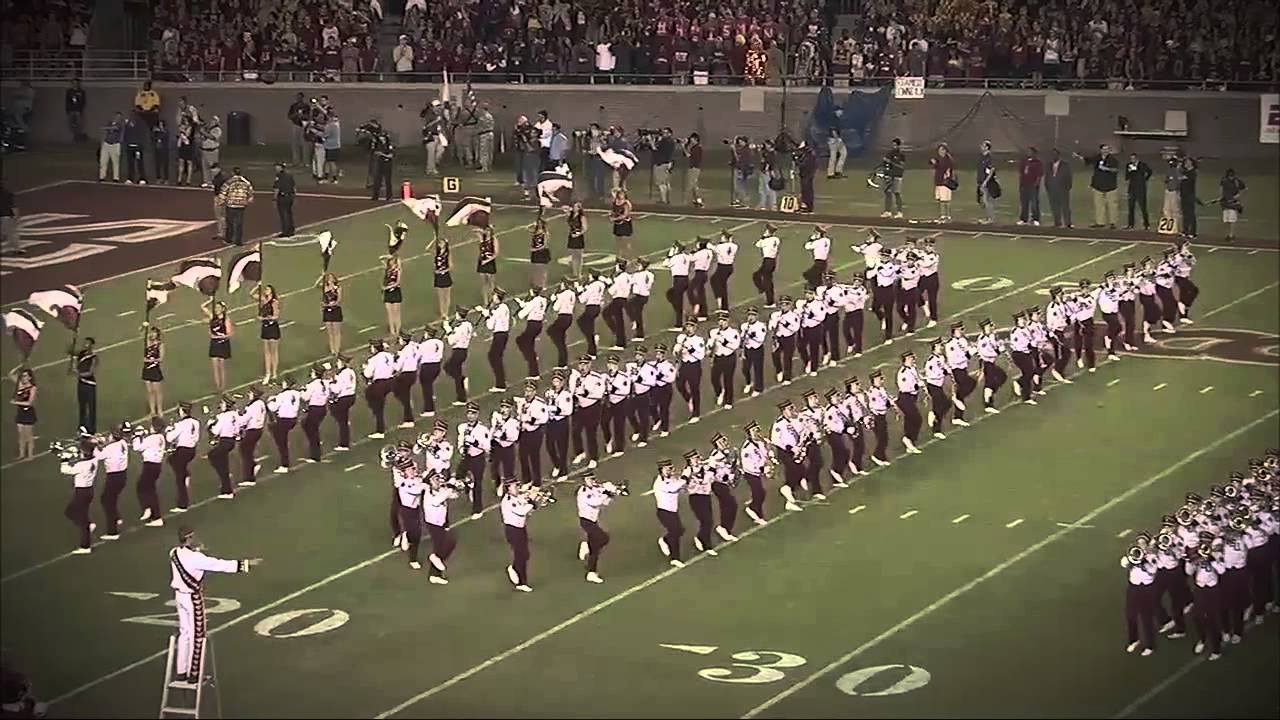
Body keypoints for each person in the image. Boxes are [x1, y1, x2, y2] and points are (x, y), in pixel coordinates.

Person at [168, 527, 261, 686]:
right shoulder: (197, 558)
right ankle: (194, 675)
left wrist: (198, 550)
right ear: (189, 538)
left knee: (185, 633)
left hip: (179, 597)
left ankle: (181, 672)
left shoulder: (174, 552)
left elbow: (191, 560)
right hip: (192, 598)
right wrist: (245, 564)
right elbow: (218, 565)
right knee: (198, 636)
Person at [60, 438, 99, 553]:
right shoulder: (94, 459)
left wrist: (64, 458)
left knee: (80, 517)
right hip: (89, 490)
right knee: (70, 512)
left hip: (81, 492)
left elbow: (65, 470)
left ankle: (85, 546)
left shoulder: (82, 465)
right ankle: (88, 525)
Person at [1076, 144, 1120, 229]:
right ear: (1100, 150)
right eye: (1104, 149)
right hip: (1098, 185)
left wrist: (1106, 169)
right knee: (1099, 205)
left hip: (1110, 186)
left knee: (1112, 205)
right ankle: (1100, 222)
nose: (1105, 151)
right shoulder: (1097, 158)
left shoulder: (1113, 160)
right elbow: (1087, 160)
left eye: (1107, 149)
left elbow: (1116, 169)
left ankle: (1113, 223)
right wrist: (1079, 157)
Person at [443, 309, 474, 405]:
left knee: (448, 368)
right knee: (453, 370)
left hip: (458, 351)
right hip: (464, 351)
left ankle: (461, 398)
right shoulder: (468, 324)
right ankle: (462, 381)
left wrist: (447, 329)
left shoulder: (460, 327)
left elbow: (451, 341)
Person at [204, 300, 233, 392]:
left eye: (219, 308)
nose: (216, 309)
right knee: (215, 367)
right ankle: (218, 388)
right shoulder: (213, 317)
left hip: (223, 344)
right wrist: (210, 300)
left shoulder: (226, 320)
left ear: (223, 309)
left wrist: (217, 336)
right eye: (216, 308)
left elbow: (230, 333)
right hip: (214, 344)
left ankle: (223, 387)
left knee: (221, 367)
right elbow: (203, 307)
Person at [256, 284, 282, 382]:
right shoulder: (263, 300)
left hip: (272, 327)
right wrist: (257, 285)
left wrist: (263, 318)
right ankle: (268, 372)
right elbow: (252, 294)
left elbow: (276, 316)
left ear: (272, 291)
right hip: (265, 327)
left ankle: (274, 372)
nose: (265, 290)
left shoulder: (274, 302)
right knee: (266, 351)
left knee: (274, 351)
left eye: (267, 289)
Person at [11, 368, 37, 460]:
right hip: (20, 412)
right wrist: (20, 365)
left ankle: (30, 455)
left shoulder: (32, 388)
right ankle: (21, 454)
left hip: (28, 413)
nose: (23, 378)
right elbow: (10, 374)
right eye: (22, 376)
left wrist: (16, 403)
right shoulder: (20, 384)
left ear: (30, 377)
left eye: (25, 376)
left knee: (28, 435)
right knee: (21, 435)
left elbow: (30, 403)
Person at [74, 337, 98, 432]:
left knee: (91, 408)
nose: (85, 344)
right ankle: (81, 427)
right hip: (81, 384)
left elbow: (90, 372)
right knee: (82, 407)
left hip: (90, 385)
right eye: (85, 343)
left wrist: (77, 373)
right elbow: (72, 352)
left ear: (91, 345)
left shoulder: (94, 358)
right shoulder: (81, 354)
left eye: (87, 343)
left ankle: (92, 429)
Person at [1045, 148, 1073, 229]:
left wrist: (1067, 187)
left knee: (1065, 206)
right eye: (1052, 155)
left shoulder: (1065, 165)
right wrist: (1047, 186)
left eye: (1055, 154)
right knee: (1054, 206)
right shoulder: (1049, 165)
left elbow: (1069, 177)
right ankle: (1057, 222)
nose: (1053, 156)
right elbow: (1047, 177)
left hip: (1063, 189)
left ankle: (1068, 223)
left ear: (1058, 155)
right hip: (1052, 189)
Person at [1125, 153, 1153, 230]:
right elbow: (1127, 177)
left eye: (1133, 159)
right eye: (1131, 159)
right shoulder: (1129, 165)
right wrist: (1129, 171)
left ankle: (1146, 224)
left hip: (1141, 188)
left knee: (1143, 207)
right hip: (1132, 188)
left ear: (1137, 158)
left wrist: (1145, 179)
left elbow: (1149, 172)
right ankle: (1130, 224)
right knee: (1131, 207)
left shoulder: (1142, 165)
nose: (1132, 160)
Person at [141, 325, 165, 417]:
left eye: (154, 332)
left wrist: (150, 360)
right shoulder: (147, 342)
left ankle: (159, 410)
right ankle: (152, 411)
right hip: (146, 370)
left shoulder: (160, 345)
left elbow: (161, 358)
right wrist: (143, 326)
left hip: (155, 369)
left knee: (157, 391)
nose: (152, 334)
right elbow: (141, 332)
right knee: (150, 391)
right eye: (151, 332)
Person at [880, 138, 906, 218]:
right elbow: (885, 163)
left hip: (897, 176)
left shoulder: (901, 155)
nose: (893, 146)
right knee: (888, 193)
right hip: (889, 175)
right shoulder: (889, 153)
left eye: (895, 145)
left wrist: (891, 162)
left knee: (897, 193)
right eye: (893, 145)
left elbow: (901, 166)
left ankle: (899, 212)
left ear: (898, 145)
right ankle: (888, 211)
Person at [929, 143, 955, 222]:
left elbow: (944, 168)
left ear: (945, 150)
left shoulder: (947, 160)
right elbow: (932, 163)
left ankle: (945, 216)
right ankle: (945, 215)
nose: (939, 152)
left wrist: (935, 163)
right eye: (939, 150)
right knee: (941, 199)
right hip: (939, 181)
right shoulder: (939, 158)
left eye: (941, 150)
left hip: (945, 182)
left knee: (944, 200)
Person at [1017, 147, 1043, 226]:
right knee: (1024, 202)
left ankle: (1035, 219)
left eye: (1031, 152)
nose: (1029, 153)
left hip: (1032, 185)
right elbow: (1021, 172)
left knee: (1034, 203)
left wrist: (1036, 183)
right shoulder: (1025, 161)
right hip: (1024, 185)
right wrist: (1021, 184)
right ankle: (1024, 219)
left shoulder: (1038, 163)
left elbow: (1039, 174)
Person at [1219, 169, 1246, 240]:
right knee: (1226, 220)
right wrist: (1221, 197)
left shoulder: (1237, 181)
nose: (1231, 177)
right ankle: (1227, 234)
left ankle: (1231, 235)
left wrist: (1238, 195)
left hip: (1233, 203)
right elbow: (1221, 189)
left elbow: (1244, 189)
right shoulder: (1224, 180)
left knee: (1232, 220)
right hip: (1225, 203)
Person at [382, 244, 403, 336]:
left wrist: (387, 288)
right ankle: (392, 331)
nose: (391, 263)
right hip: (387, 293)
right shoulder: (387, 270)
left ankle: (398, 331)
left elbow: (397, 282)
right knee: (390, 314)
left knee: (396, 313)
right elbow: (381, 259)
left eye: (393, 261)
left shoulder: (398, 270)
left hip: (395, 292)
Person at [431, 232, 452, 321]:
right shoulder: (436, 253)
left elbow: (451, 266)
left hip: (445, 275)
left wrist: (443, 271)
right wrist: (433, 240)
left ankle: (446, 313)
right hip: (438, 276)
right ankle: (442, 313)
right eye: (439, 242)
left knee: (446, 296)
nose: (440, 243)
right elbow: (427, 249)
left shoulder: (448, 253)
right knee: (440, 296)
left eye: (442, 242)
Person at [124, 112, 149, 184]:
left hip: (138, 147)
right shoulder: (128, 125)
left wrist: (141, 145)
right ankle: (130, 178)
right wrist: (126, 143)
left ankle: (142, 178)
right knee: (130, 164)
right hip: (130, 147)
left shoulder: (141, 124)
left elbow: (143, 135)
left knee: (139, 163)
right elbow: (125, 134)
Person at [371, 127, 395, 201]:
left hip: (387, 163)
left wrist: (382, 154)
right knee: (377, 179)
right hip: (380, 163)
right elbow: (374, 152)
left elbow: (391, 155)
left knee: (388, 180)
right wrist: (381, 154)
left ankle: (389, 196)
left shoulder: (389, 144)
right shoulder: (377, 144)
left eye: (383, 137)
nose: (382, 139)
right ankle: (375, 196)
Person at [977, 140, 998, 224]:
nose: (981, 147)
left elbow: (992, 170)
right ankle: (988, 218)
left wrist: (985, 182)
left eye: (983, 145)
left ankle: (991, 219)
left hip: (987, 182)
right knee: (984, 201)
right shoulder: (982, 157)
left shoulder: (989, 157)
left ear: (987, 147)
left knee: (987, 201)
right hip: (981, 180)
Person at [565, 202, 588, 279]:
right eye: (574, 206)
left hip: (578, 237)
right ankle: (574, 273)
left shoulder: (581, 217)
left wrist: (578, 234)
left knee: (579, 256)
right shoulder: (571, 215)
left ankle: (579, 273)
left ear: (579, 208)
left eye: (576, 207)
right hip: (572, 236)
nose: (574, 208)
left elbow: (585, 228)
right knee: (573, 256)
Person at [99, 112, 124, 182]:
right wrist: (102, 143)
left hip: (115, 144)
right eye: (116, 116)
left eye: (119, 117)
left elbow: (115, 128)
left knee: (115, 162)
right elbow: (104, 133)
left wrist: (105, 128)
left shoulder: (120, 125)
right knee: (103, 161)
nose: (117, 118)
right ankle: (102, 176)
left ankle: (116, 177)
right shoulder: (109, 123)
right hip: (106, 144)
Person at [273, 163, 296, 237]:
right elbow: (293, 186)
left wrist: (275, 198)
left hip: (282, 197)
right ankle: (291, 229)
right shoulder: (289, 175)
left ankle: (286, 231)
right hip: (290, 196)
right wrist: (294, 196)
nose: (276, 169)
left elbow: (277, 188)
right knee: (289, 213)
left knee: (283, 214)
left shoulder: (278, 176)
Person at [477, 226, 499, 304]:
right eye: (486, 230)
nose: (487, 232)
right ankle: (485, 301)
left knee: (491, 283)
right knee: (484, 284)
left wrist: (487, 261)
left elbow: (496, 253)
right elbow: (475, 232)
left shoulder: (494, 240)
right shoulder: (482, 238)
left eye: (489, 230)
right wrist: (480, 230)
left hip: (489, 263)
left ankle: (492, 300)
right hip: (482, 262)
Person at [199, 116, 223, 188]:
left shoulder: (217, 130)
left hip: (212, 151)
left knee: (213, 167)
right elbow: (203, 138)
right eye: (211, 120)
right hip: (204, 150)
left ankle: (215, 181)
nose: (211, 122)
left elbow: (212, 137)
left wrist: (203, 132)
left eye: (213, 121)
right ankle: (207, 181)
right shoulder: (207, 129)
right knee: (205, 167)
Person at [610, 189, 634, 259]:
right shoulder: (615, 202)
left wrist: (614, 219)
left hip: (625, 224)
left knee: (625, 242)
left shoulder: (626, 203)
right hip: (617, 224)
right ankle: (620, 256)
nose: (621, 195)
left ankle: (628, 256)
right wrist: (612, 214)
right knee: (618, 241)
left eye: (622, 194)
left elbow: (625, 215)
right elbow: (613, 210)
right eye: (620, 194)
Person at [683, 133, 704, 207]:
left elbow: (688, 155)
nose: (690, 140)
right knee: (694, 186)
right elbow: (687, 154)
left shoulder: (697, 148)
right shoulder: (694, 147)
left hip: (694, 168)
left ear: (695, 139)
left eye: (691, 139)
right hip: (693, 168)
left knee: (690, 185)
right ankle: (698, 200)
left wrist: (683, 146)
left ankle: (687, 201)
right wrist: (685, 146)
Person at [65, 78, 87, 142]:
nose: (75, 84)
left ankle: (77, 136)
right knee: (71, 123)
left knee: (79, 124)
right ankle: (72, 136)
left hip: (78, 110)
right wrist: (67, 110)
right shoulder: (69, 91)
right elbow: (67, 101)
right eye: (74, 83)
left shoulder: (81, 92)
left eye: (76, 83)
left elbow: (83, 101)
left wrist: (81, 109)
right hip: (71, 110)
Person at [151, 119, 171, 185]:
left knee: (165, 165)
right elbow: (153, 138)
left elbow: (165, 137)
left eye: (161, 124)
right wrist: (154, 132)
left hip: (164, 150)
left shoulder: (166, 131)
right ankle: (158, 178)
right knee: (157, 165)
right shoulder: (156, 132)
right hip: (157, 149)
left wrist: (161, 131)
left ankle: (166, 179)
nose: (160, 126)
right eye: (159, 124)